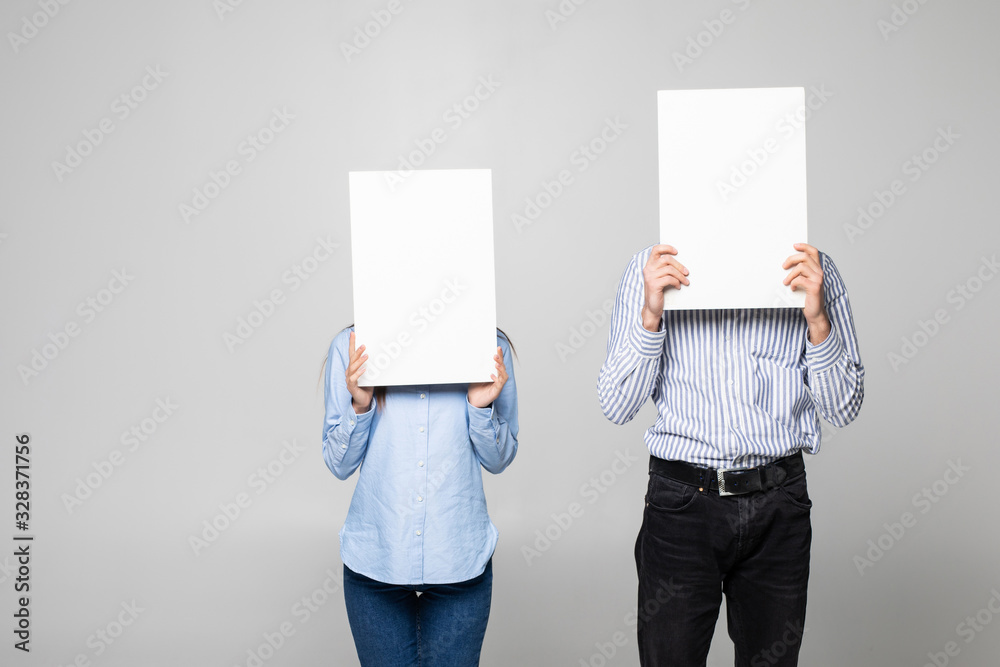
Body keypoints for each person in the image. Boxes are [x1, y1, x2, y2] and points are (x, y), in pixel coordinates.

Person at [598, 242, 864, 666]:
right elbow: (617, 404)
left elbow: (844, 406)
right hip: (682, 507)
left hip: (780, 504)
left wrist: (817, 320)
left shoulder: (812, 268)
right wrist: (651, 316)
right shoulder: (650, 268)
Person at [322, 325, 518, 667]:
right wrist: (360, 404)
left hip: (459, 560)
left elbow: (499, 459)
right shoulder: (352, 346)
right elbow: (339, 464)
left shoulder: (487, 345)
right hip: (376, 557)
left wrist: (479, 407)